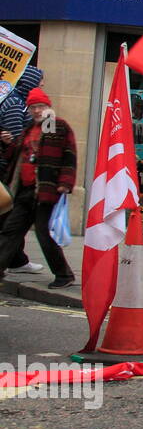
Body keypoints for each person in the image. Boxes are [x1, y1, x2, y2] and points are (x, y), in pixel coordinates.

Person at [0, 87, 77, 288]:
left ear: (48, 106)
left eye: (40, 106)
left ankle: (64, 275)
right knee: (10, 231)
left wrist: (65, 183)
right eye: (32, 107)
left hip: (44, 190)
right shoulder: (28, 130)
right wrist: (7, 144)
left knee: (44, 233)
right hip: (24, 190)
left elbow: (68, 156)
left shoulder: (55, 125)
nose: (36, 111)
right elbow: (15, 158)